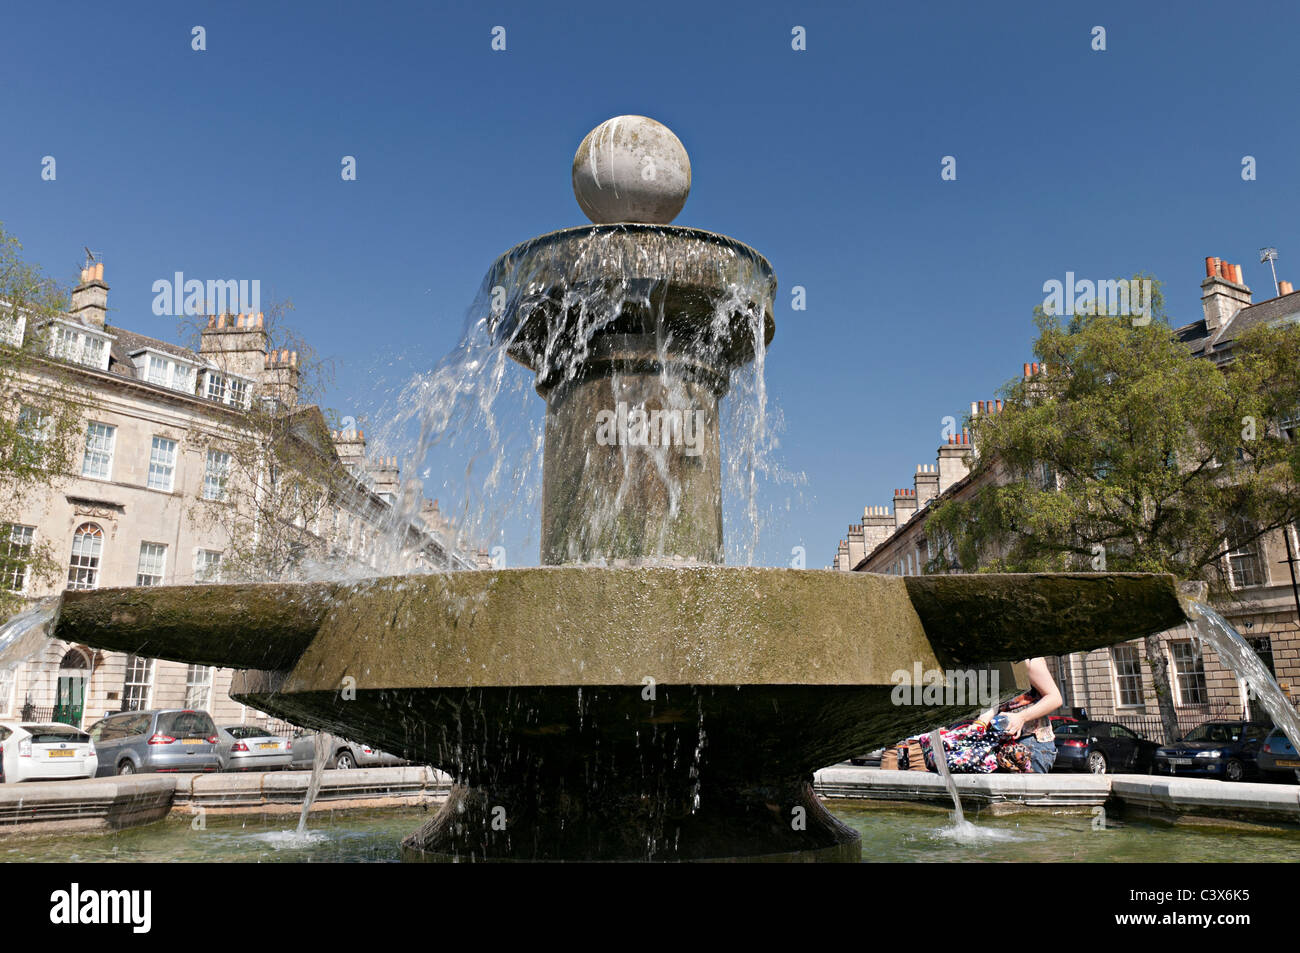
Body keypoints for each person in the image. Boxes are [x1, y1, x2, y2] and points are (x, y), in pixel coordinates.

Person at [999, 657, 1063, 774]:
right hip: (1002, 744)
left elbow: (1055, 698)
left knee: (1025, 790)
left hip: (1030, 743)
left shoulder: (1029, 659)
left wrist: (1021, 717)